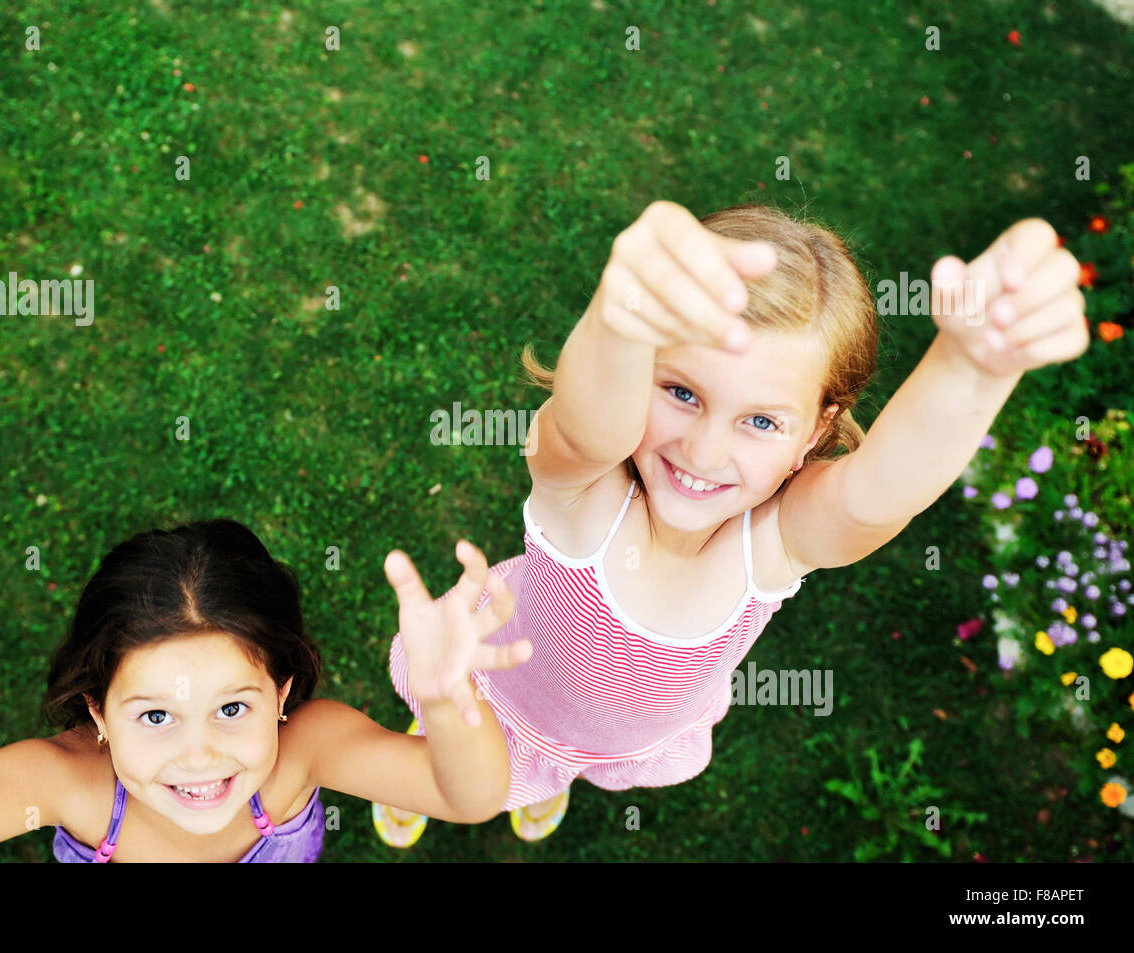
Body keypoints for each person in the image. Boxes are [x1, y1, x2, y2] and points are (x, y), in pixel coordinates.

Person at [373, 199, 1088, 845]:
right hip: (500, 692)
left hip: (622, 739)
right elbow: (584, 430)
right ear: (640, 367)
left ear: (817, 429)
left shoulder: (772, 545)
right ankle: (430, 767)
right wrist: (617, 318)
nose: (704, 450)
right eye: (681, 391)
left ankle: (552, 780)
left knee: (559, 772)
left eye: (760, 421)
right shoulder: (583, 496)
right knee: (455, 767)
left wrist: (972, 367)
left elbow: (874, 497)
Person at [0, 519, 530, 861]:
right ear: (97, 710)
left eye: (232, 707)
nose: (199, 754)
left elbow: (469, 797)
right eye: (157, 714)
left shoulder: (304, 750)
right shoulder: (62, 785)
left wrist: (444, 702)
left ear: (281, 692)